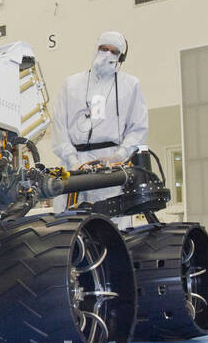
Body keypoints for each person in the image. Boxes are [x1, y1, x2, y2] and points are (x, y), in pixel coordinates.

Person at [51, 31, 148, 225]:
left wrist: (119, 155)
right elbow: (59, 125)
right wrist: (72, 159)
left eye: (114, 52)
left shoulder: (130, 85)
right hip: (74, 165)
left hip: (111, 165)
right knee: (69, 224)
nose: (107, 55)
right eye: (104, 49)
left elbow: (138, 128)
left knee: (112, 224)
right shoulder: (71, 84)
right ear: (96, 49)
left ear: (121, 58)